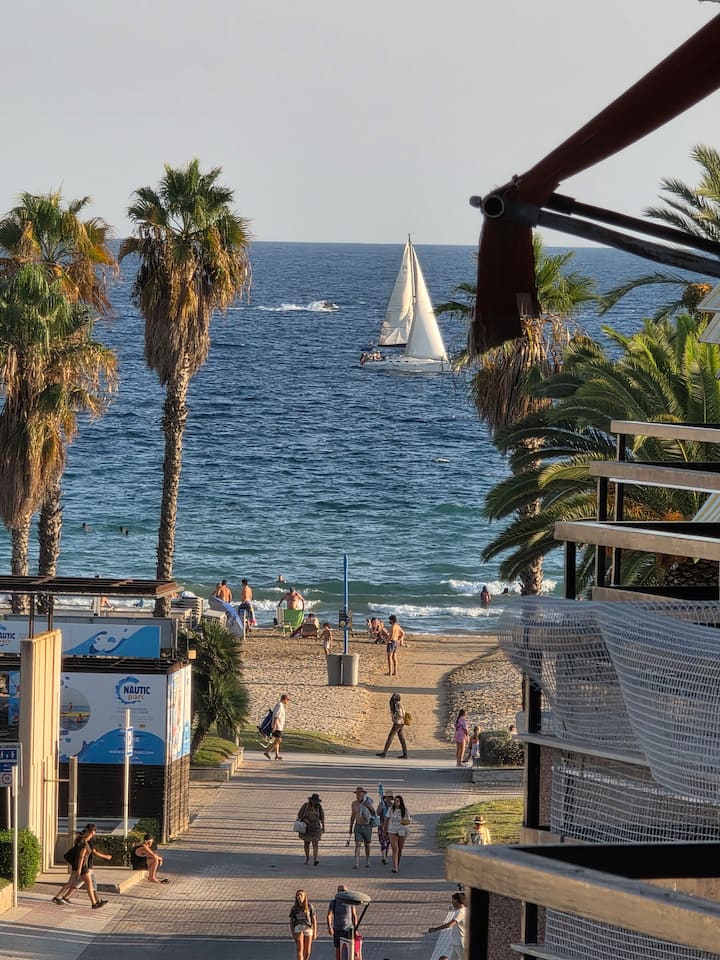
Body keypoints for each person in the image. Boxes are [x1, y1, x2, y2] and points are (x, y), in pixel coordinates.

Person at [53, 825, 108, 908]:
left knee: (70, 883)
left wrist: (77, 868)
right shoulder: (85, 844)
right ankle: (94, 903)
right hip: (83, 868)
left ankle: (57, 897)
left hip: (78, 867)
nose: (94, 834)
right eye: (94, 832)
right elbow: (81, 857)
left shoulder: (82, 843)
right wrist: (79, 869)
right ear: (90, 833)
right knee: (89, 886)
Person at [428, 890, 466, 960]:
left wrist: (435, 929)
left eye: (453, 901)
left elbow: (450, 925)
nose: (452, 903)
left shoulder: (460, 912)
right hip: (456, 943)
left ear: (457, 902)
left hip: (460, 943)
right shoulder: (463, 910)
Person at [327, 884, 358, 960]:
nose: (343, 892)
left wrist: (356, 929)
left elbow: (354, 915)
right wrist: (330, 927)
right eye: (341, 891)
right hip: (337, 929)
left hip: (349, 929)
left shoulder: (350, 903)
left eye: (344, 891)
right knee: (338, 949)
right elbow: (329, 915)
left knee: (350, 950)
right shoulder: (334, 902)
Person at [349, 785, 376, 870]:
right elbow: (353, 815)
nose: (358, 796)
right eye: (357, 794)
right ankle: (356, 862)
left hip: (367, 825)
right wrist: (350, 827)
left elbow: (373, 812)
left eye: (360, 794)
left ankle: (367, 861)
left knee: (367, 844)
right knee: (357, 844)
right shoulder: (354, 803)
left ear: (363, 794)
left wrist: (367, 806)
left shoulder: (368, 802)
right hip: (358, 825)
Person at [376, 692, 408, 758]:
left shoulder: (397, 704)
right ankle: (405, 754)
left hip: (398, 722)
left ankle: (384, 753)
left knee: (391, 736)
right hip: (401, 722)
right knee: (401, 738)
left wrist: (394, 716)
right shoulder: (397, 704)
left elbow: (400, 714)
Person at [296, 792, 325, 865]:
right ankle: (307, 859)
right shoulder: (305, 806)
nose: (315, 803)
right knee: (306, 843)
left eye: (316, 802)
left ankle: (315, 859)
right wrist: (304, 819)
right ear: (311, 800)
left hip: (316, 827)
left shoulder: (319, 807)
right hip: (306, 827)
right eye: (314, 801)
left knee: (315, 843)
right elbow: (299, 814)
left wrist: (323, 826)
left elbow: (322, 817)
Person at [289, 888, 317, 960]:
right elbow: (291, 921)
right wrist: (293, 932)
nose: (299, 897)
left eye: (301, 895)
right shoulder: (294, 908)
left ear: (305, 896)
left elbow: (314, 919)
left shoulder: (310, 906)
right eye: (297, 895)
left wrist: (315, 932)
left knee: (307, 951)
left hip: (308, 927)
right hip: (298, 927)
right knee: (300, 949)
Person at [387, 794, 411, 873]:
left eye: (398, 801)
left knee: (400, 849)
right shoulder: (391, 809)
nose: (396, 802)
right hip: (392, 830)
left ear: (401, 802)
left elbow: (408, 820)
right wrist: (385, 830)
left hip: (402, 830)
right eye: (395, 801)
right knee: (395, 848)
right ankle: (395, 867)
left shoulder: (405, 810)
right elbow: (387, 819)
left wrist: (404, 822)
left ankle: (397, 863)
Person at [264, 693, 289, 760]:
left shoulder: (279, 705)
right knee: (279, 740)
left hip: (279, 726)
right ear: (285, 699)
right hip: (277, 726)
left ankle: (277, 755)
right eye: (288, 700)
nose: (288, 702)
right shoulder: (280, 706)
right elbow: (276, 716)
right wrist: (274, 726)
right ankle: (267, 751)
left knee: (276, 740)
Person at [377, 790, 394, 864]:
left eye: (389, 797)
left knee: (387, 842)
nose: (388, 798)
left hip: (390, 826)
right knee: (382, 841)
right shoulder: (381, 804)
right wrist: (381, 808)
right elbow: (377, 813)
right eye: (387, 797)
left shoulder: (393, 806)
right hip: (381, 825)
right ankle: (384, 857)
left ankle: (384, 856)